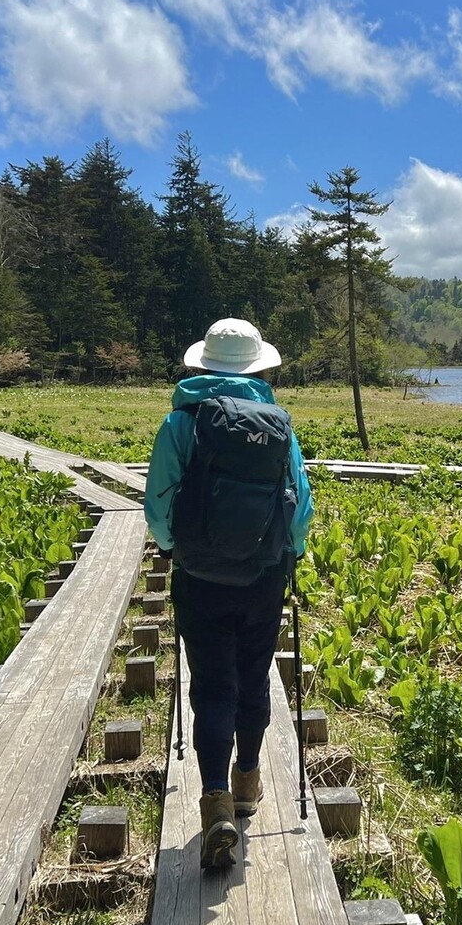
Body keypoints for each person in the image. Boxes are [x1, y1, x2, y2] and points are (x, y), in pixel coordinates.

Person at [143, 318, 313, 870]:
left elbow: (158, 503)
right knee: (253, 677)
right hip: (263, 576)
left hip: (201, 576)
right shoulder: (278, 425)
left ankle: (214, 798)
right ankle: (247, 783)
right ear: (259, 368)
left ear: (203, 364)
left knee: (213, 685)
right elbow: (299, 505)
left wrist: (173, 547)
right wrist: (290, 554)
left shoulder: (180, 422)